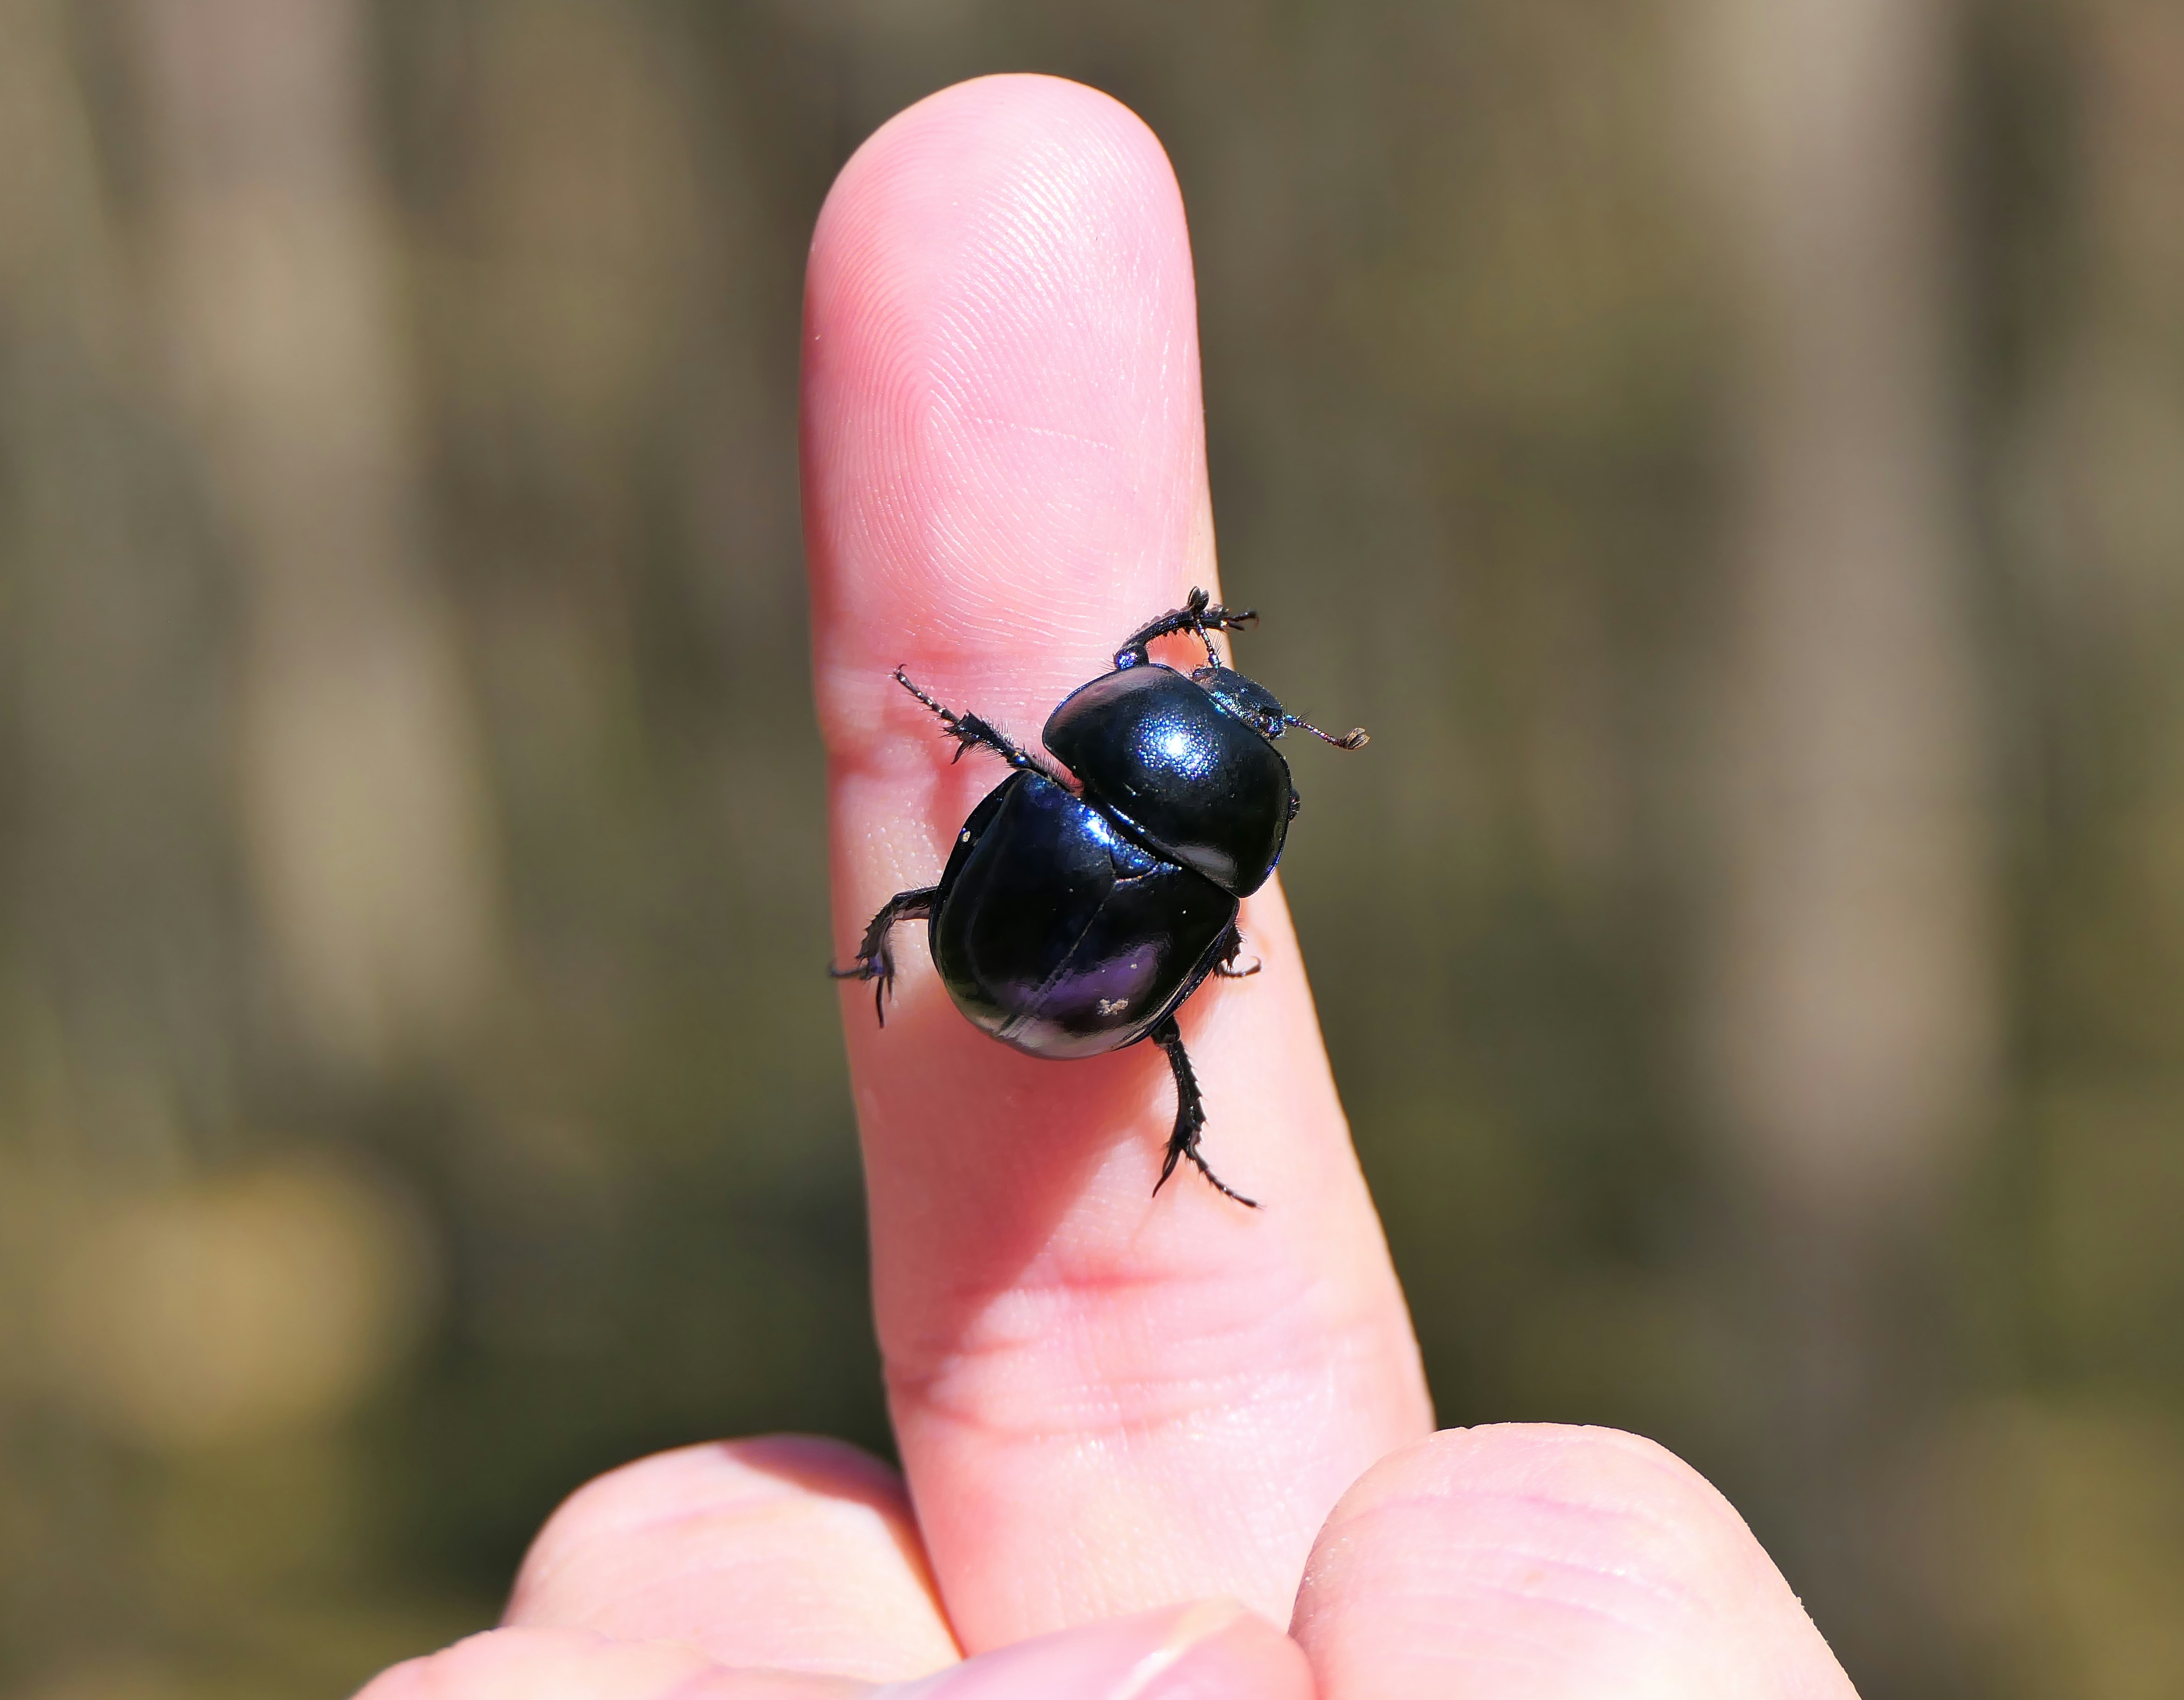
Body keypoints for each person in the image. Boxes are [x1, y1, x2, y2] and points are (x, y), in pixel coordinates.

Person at [355, 74, 1856, 1700]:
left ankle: (944, 993)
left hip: (1023, 964)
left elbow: (1056, 743)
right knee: (1154, 1030)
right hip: (1079, 1003)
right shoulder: (1195, 878)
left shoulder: (1092, 794)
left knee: (989, 941)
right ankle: (1091, 1083)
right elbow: (1127, 819)